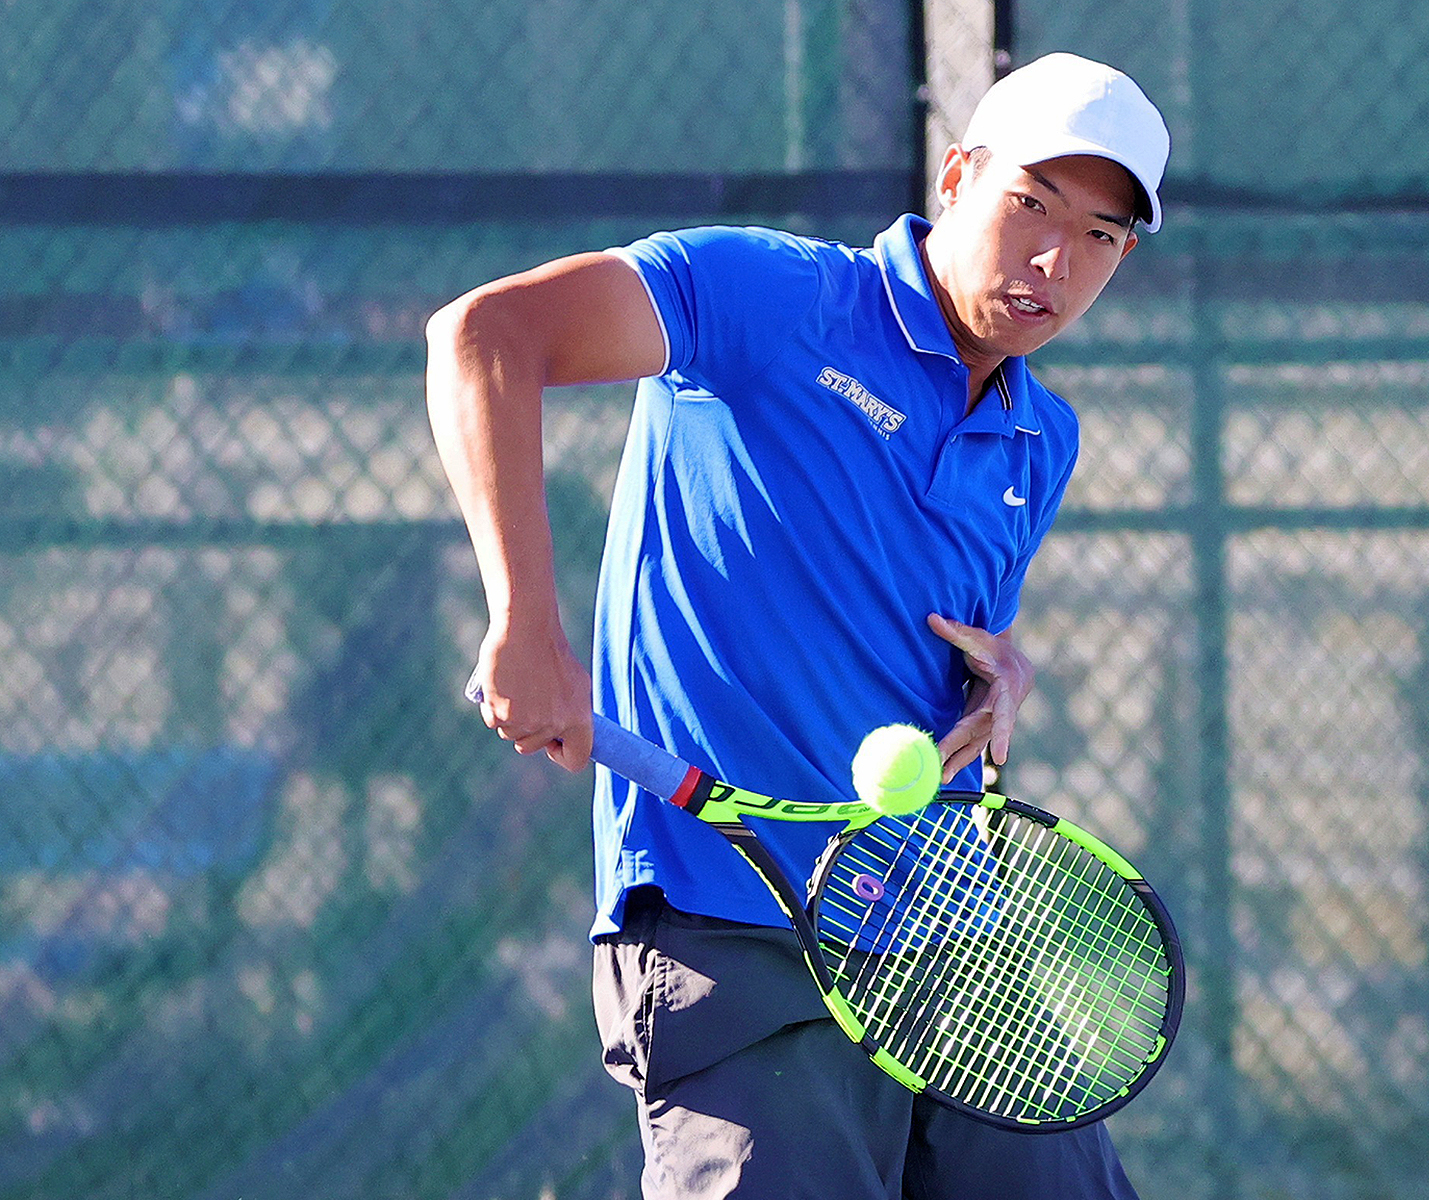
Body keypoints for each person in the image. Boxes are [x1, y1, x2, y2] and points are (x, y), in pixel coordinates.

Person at [427, 51, 1169, 1200]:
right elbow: (484, 337)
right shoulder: (769, 300)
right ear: (960, 176)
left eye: (1101, 239)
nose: (1053, 263)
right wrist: (526, 620)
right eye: (1032, 205)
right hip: (730, 923)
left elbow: (930, 628)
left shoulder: (1041, 438)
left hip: (953, 938)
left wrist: (999, 677)